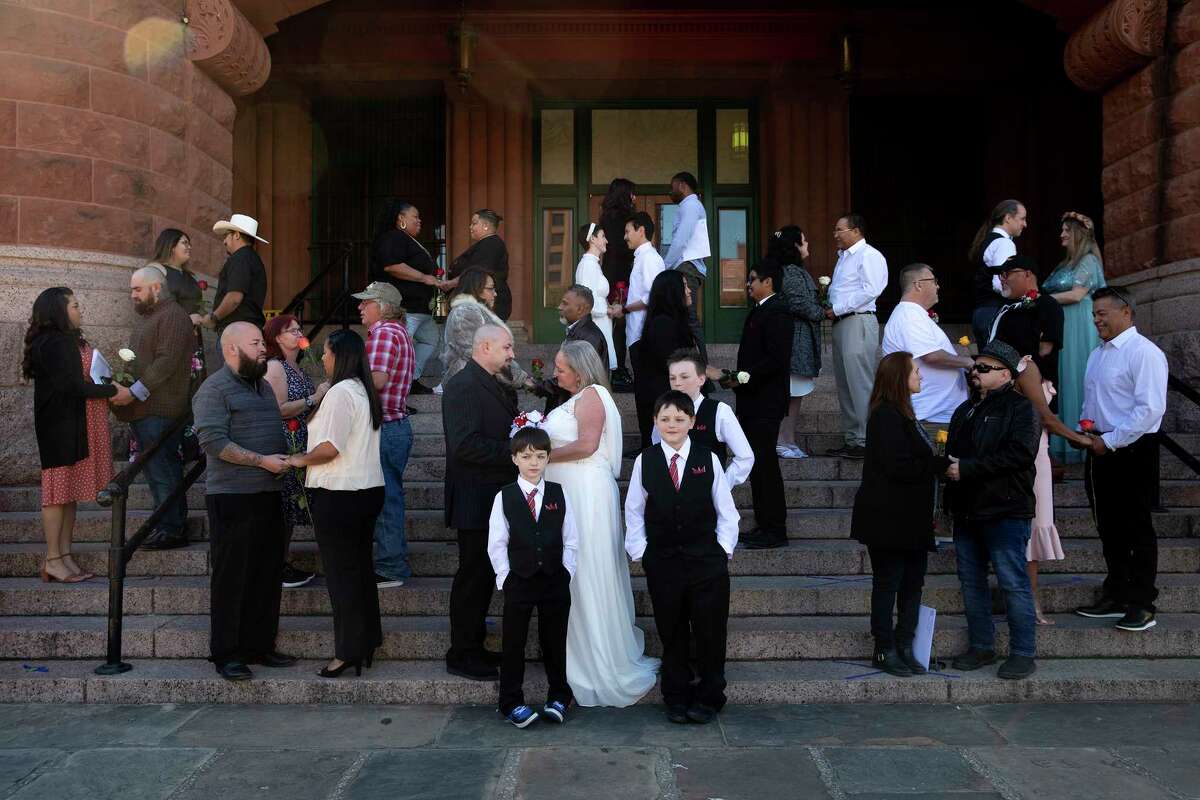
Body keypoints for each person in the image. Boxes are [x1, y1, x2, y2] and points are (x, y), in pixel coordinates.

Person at [543, 341, 659, 706]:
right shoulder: (579, 397)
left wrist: (536, 454)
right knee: (576, 572)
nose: (555, 372)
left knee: (587, 570)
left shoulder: (592, 395)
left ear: (580, 369)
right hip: (572, 490)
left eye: (561, 367)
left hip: (585, 492)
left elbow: (587, 445)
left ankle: (595, 661)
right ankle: (578, 653)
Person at [626, 390, 740, 724]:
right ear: (655, 422)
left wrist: (723, 550)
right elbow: (633, 511)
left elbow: (726, 512)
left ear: (691, 422)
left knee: (709, 631)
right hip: (663, 562)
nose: (672, 424)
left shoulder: (709, 459)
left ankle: (710, 694)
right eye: (665, 419)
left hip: (707, 562)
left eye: (679, 419)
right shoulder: (645, 461)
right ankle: (675, 694)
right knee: (671, 631)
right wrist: (641, 551)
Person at [192, 322, 295, 681]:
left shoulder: (264, 386)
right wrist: (260, 460)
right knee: (231, 577)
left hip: (269, 494)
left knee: (266, 575)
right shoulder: (213, 389)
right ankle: (227, 654)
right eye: (255, 343)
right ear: (232, 349)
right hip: (232, 498)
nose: (263, 348)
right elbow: (214, 443)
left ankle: (259, 645)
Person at [286, 330, 386, 678]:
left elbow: (331, 447)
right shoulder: (362, 389)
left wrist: (298, 459)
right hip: (366, 490)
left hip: (341, 493)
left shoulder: (343, 392)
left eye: (326, 353)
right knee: (359, 572)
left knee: (343, 576)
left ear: (338, 356)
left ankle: (347, 652)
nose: (323, 359)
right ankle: (367, 640)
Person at [1073, 287, 1168, 633]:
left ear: (1125, 312)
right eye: (1094, 314)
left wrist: (1110, 441)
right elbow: (1094, 398)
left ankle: (1142, 603)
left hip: (1132, 449)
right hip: (1099, 445)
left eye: (1102, 313)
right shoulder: (1098, 353)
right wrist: (1087, 429)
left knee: (1136, 526)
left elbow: (1150, 409)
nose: (1096, 319)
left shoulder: (1144, 353)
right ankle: (1116, 592)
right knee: (1107, 524)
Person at [943, 340, 1040, 680]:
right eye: (974, 367)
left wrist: (967, 469)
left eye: (984, 369)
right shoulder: (965, 410)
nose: (975, 373)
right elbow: (953, 456)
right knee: (971, 582)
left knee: (1013, 582)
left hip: (1005, 509)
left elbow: (1020, 455)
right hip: (968, 509)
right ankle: (982, 646)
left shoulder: (1021, 409)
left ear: (1006, 374)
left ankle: (1023, 652)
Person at [850, 352, 951, 677]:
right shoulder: (885, 416)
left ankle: (905, 643)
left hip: (911, 519)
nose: (920, 377)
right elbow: (898, 466)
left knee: (913, 583)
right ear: (899, 377)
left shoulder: (903, 414)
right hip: (889, 519)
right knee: (889, 583)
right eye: (915, 372)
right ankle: (884, 647)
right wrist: (936, 466)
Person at [24, 288, 132, 582]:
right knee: (57, 494)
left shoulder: (70, 340)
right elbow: (70, 387)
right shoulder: (53, 343)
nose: (79, 310)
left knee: (69, 494)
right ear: (57, 310)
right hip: (60, 426)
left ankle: (65, 556)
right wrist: (113, 390)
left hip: (78, 423)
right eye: (74, 305)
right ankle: (52, 559)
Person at [487, 426, 579, 728]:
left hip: (554, 579)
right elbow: (497, 542)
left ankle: (559, 696)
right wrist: (506, 578)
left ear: (548, 458)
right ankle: (511, 701)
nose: (534, 462)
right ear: (515, 459)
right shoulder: (505, 496)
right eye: (526, 456)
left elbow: (571, 538)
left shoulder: (558, 493)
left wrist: (566, 571)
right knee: (514, 643)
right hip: (520, 581)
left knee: (555, 640)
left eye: (540, 456)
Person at [442, 324, 519, 680]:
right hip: (475, 498)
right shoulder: (461, 387)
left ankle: (475, 646)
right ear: (485, 346)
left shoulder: (494, 384)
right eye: (506, 347)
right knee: (473, 577)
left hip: (494, 496)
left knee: (485, 576)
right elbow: (464, 446)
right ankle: (461, 653)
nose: (512, 353)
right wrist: (517, 453)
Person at [121, 267, 197, 551]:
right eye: (132, 290)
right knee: (156, 471)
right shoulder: (149, 317)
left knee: (164, 470)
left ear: (156, 288)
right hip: (145, 410)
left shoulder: (174, 316)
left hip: (161, 410)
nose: (132, 295)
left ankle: (172, 529)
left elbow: (166, 363)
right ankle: (164, 525)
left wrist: (133, 391)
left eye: (137, 289)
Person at [352, 282, 416, 589]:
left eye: (366, 302)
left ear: (383, 306)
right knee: (389, 496)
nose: (360, 307)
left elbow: (376, 380)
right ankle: (392, 562)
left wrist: (344, 381)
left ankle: (390, 567)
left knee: (386, 499)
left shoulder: (384, 332)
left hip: (385, 427)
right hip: (395, 425)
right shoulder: (398, 332)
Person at [263, 314, 329, 587]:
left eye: (300, 329)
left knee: (291, 506)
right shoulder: (275, 367)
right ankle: (275, 565)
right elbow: (278, 409)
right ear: (277, 337)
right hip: (286, 440)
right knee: (285, 506)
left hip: (301, 440)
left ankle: (280, 562)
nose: (298, 334)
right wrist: (316, 396)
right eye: (292, 331)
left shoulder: (297, 366)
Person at [734, 259, 795, 550]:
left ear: (768, 282)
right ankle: (764, 523)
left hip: (766, 401)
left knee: (766, 464)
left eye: (753, 279)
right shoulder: (760, 310)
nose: (749, 285)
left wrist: (744, 378)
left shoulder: (778, 312)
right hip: (752, 399)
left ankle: (775, 528)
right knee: (757, 464)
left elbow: (776, 358)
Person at [1043, 211, 1106, 463]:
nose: (1062, 235)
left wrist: (1039, 300)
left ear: (1078, 234)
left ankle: (1079, 441)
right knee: (1064, 377)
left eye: (1066, 231)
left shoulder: (1088, 261)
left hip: (1078, 324)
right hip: (1064, 323)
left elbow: (1077, 294)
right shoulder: (1065, 264)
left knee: (1075, 375)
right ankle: (1064, 438)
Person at [881, 263, 971, 438]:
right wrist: (968, 362)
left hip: (936, 413)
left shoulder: (915, 314)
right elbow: (932, 356)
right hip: (929, 415)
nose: (938, 286)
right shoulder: (909, 315)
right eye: (934, 281)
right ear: (918, 284)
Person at [825, 213, 888, 458]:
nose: (835, 234)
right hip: (841, 322)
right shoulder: (844, 258)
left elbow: (872, 289)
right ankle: (853, 438)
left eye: (839, 229)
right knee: (845, 384)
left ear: (856, 230)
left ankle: (865, 439)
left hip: (858, 321)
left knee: (859, 383)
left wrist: (838, 307)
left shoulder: (868, 255)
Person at [371, 200, 441, 394]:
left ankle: (410, 379)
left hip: (420, 308)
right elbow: (392, 266)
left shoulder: (408, 239)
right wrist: (424, 277)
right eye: (415, 216)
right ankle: (396, 389)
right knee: (401, 349)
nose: (419, 221)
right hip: (405, 307)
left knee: (431, 340)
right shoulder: (394, 237)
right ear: (401, 218)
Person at [656, 349, 754, 487]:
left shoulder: (720, 411)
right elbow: (657, 451)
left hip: (706, 501)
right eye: (672, 378)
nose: (677, 383)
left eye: (684, 377)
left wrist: (721, 487)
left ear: (701, 379)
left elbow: (746, 457)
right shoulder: (662, 411)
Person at [768, 226, 824, 458]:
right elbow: (798, 303)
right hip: (795, 341)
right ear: (794, 247)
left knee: (795, 394)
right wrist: (823, 311)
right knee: (789, 394)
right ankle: (781, 440)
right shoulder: (790, 272)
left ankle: (788, 440)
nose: (807, 245)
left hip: (798, 341)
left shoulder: (791, 270)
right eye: (804, 241)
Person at [439, 269, 530, 399]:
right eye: (491, 288)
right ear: (477, 289)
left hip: (478, 383)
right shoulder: (465, 312)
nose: (495, 293)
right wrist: (521, 378)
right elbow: (478, 353)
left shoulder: (476, 311)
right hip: (467, 387)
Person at [631, 270, 697, 450]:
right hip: (665, 407)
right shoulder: (663, 324)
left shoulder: (672, 322)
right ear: (672, 292)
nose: (689, 290)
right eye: (684, 286)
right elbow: (674, 365)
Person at [988, 254, 1064, 399]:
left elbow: (1045, 351)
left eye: (1006, 274)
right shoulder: (1006, 307)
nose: (1002, 279)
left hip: (1032, 389)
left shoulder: (1047, 304)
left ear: (1027, 274)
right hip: (1001, 386)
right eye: (1000, 275)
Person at [529, 284, 609, 413]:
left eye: (565, 304)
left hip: (577, 409)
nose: (560, 307)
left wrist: (538, 386)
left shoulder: (589, 337)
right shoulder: (578, 331)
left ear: (581, 309)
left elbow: (575, 377)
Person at [609, 211, 665, 395]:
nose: (625, 237)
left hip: (643, 334)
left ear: (640, 231)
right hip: (637, 333)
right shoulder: (642, 257)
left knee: (645, 391)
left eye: (627, 231)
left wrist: (624, 309)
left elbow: (652, 296)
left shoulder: (649, 258)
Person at [663, 171, 710, 359]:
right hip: (687, 267)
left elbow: (681, 240)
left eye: (672, 186)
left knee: (688, 319)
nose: (670, 191)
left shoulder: (690, 205)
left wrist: (665, 265)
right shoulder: (690, 205)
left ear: (682, 185)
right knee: (683, 319)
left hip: (686, 267)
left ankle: (702, 369)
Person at [968, 199, 1027, 345]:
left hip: (982, 312)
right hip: (994, 313)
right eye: (1022, 219)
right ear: (1008, 218)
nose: (1025, 224)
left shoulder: (986, 240)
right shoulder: (1004, 243)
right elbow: (1001, 282)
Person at [200, 214, 269, 334]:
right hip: (247, 329)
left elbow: (235, 297)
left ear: (236, 235)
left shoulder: (240, 258)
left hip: (238, 331)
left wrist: (213, 318)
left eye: (226, 235)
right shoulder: (251, 258)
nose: (224, 241)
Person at [599, 177, 637, 386]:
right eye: (632, 192)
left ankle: (614, 367)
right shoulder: (624, 217)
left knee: (613, 323)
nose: (635, 197)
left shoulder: (606, 216)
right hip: (622, 274)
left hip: (610, 272)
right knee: (621, 322)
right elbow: (623, 247)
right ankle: (619, 369)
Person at [445, 209, 512, 321]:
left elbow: (478, 273)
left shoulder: (491, 243)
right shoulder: (485, 243)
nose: (470, 227)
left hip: (487, 305)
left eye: (474, 223)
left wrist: (451, 283)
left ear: (485, 225)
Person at [574, 223, 617, 371]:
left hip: (601, 325)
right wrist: (607, 310)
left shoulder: (593, 264)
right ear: (592, 239)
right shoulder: (588, 265)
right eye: (603, 236)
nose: (606, 241)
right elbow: (587, 301)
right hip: (595, 328)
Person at [150, 228, 204, 318]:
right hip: (169, 329)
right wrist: (187, 320)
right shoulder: (157, 270)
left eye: (189, 244)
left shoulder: (189, 277)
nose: (189, 247)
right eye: (185, 243)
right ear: (171, 246)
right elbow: (155, 308)